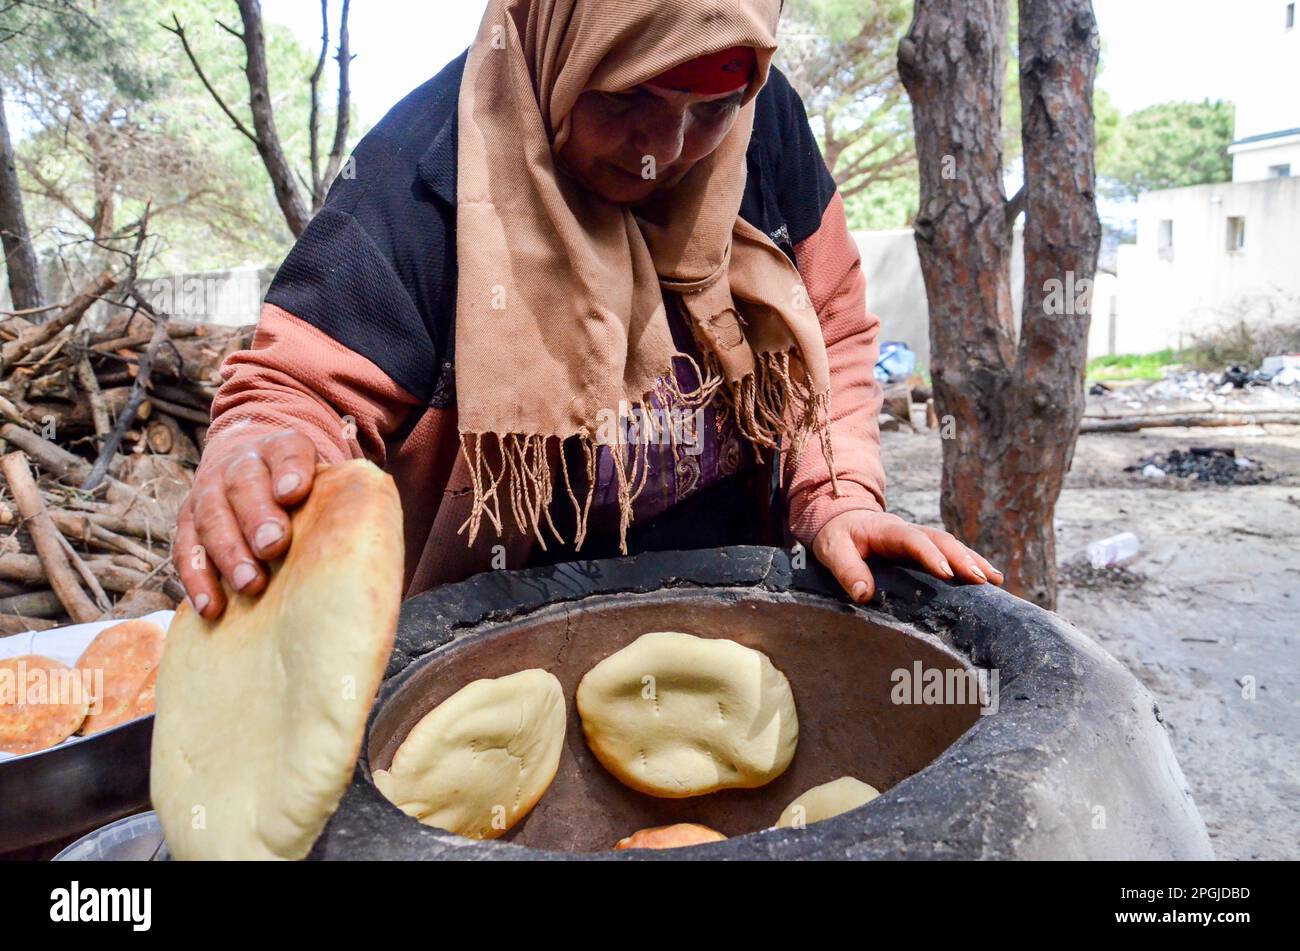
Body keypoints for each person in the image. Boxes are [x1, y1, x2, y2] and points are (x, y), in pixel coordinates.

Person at [175, 0, 1001, 621]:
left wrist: (840, 495)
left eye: (709, 109)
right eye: (629, 99)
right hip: (497, 623)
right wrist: (261, 453)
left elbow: (835, 326)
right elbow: (298, 393)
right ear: (562, 41)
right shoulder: (424, 167)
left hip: (731, 591)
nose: (666, 151)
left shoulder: (766, 117)